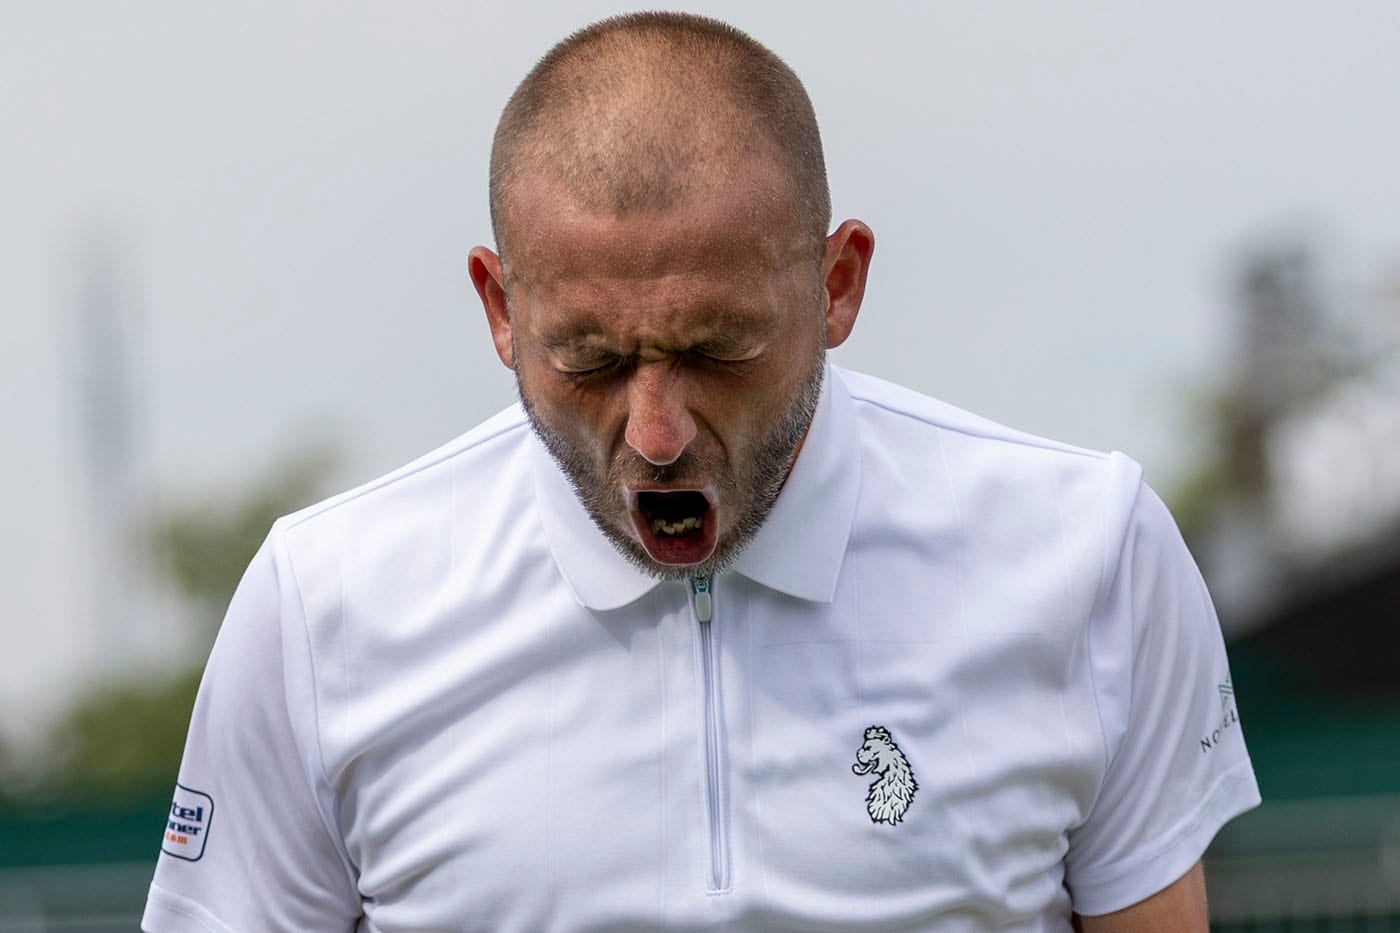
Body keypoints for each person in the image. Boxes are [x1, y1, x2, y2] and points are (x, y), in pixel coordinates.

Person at [142, 12, 1259, 931]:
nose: (656, 430)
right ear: (498, 307)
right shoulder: (323, 603)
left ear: (836, 285)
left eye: (716, 349)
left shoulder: (1083, 546)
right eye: (587, 359)